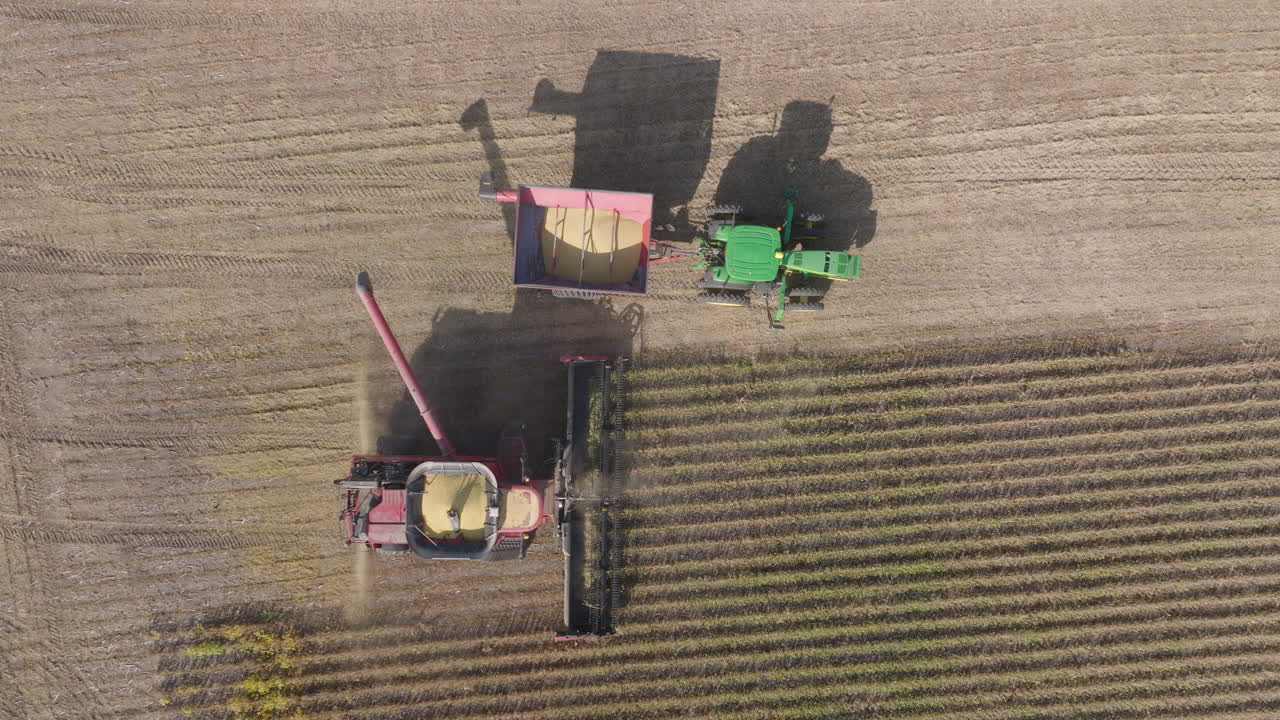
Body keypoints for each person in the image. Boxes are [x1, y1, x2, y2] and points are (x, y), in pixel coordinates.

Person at [714, 101, 875, 251]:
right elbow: (727, 194)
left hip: (755, 239)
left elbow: (724, 196)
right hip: (755, 236)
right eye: (823, 132)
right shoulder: (759, 153)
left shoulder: (758, 150)